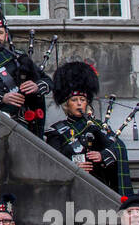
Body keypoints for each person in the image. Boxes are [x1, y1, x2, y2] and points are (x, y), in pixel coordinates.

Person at [46, 61, 130, 195]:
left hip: (100, 185)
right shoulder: (56, 131)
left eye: (82, 100)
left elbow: (118, 146)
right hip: (70, 187)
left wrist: (102, 155)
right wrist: (73, 166)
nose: (79, 103)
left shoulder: (98, 126)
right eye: (74, 100)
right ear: (67, 105)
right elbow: (52, 161)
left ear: (87, 103)